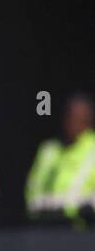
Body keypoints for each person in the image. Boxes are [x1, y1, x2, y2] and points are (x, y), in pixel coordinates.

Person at [25, 92, 95, 225]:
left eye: (79, 118)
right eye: (70, 117)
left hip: (84, 231)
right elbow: (32, 191)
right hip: (46, 228)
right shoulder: (48, 149)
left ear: (88, 121)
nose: (72, 123)